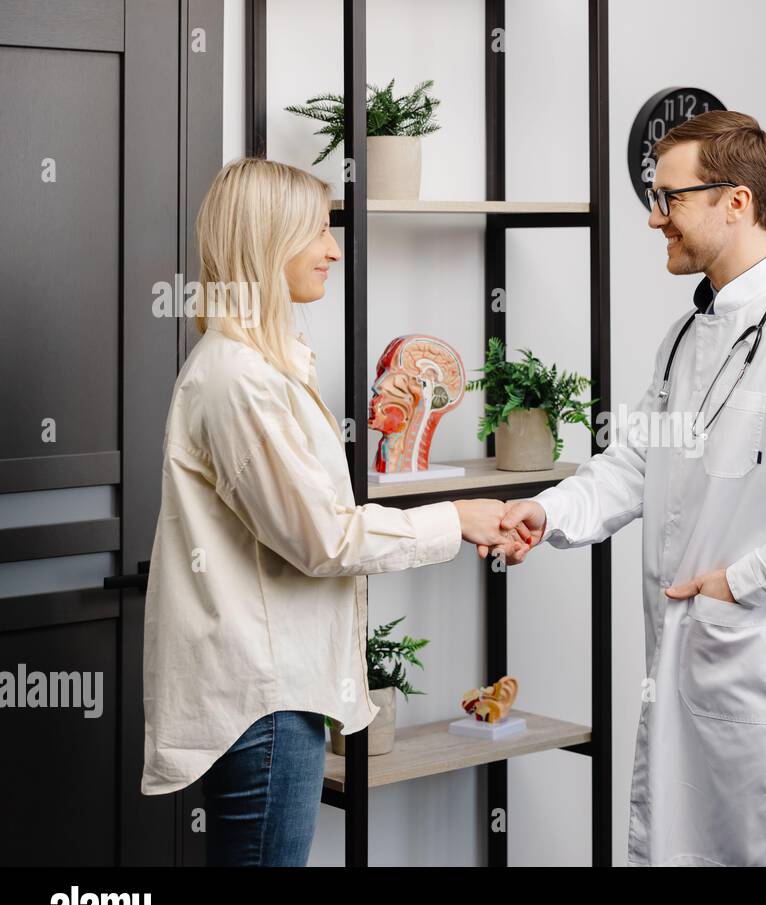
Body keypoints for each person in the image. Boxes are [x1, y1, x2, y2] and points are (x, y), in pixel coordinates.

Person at [499, 111, 766, 866]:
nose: (656, 218)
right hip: (693, 663)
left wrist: (745, 580)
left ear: (737, 203)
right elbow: (635, 462)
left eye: (670, 199)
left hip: (761, 670)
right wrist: (548, 510)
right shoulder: (690, 335)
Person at [139, 157, 525, 866]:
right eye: (317, 230)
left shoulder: (265, 364)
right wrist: (456, 518)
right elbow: (320, 538)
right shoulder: (239, 379)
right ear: (266, 240)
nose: (333, 248)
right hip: (265, 703)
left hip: (277, 694)